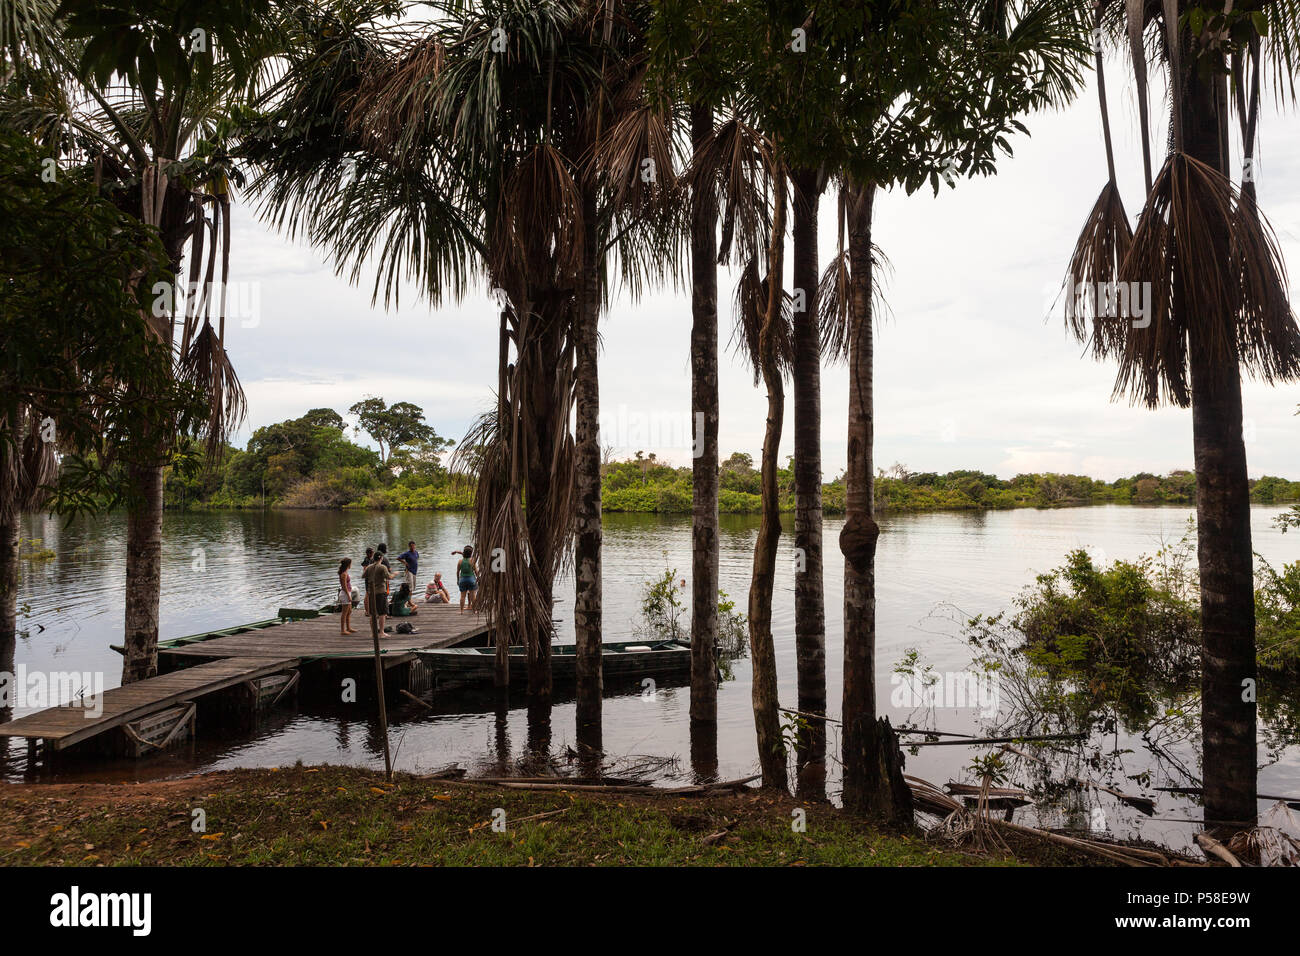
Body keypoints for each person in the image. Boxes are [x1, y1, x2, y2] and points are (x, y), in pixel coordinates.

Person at [362, 552, 392, 636]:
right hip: (381, 592)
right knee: (382, 613)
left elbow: (363, 576)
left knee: (372, 614)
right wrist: (394, 574)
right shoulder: (382, 567)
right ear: (381, 558)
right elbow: (388, 577)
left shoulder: (369, 567)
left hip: (372, 593)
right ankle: (382, 632)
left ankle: (373, 633)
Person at [452, 545, 478, 614]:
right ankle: (474, 610)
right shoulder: (472, 560)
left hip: (462, 580)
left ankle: (461, 611)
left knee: (462, 596)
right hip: (471, 579)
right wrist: (478, 578)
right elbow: (476, 571)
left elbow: (457, 572)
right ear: (471, 553)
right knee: (473, 596)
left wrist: (458, 580)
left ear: (464, 553)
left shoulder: (460, 561)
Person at [337, 558, 356, 635]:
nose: (351, 565)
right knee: (344, 613)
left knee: (349, 611)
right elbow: (344, 586)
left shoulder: (345, 572)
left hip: (347, 592)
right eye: (350, 563)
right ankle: (342, 630)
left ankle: (348, 627)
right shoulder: (344, 574)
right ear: (348, 564)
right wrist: (349, 596)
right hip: (345, 594)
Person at [361, 547, 376, 617]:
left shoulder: (370, 559)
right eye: (372, 552)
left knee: (369, 594)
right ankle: (367, 611)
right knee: (367, 594)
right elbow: (365, 570)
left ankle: (369, 610)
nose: (373, 554)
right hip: (368, 580)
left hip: (370, 579)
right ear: (369, 553)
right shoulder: (366, 560)